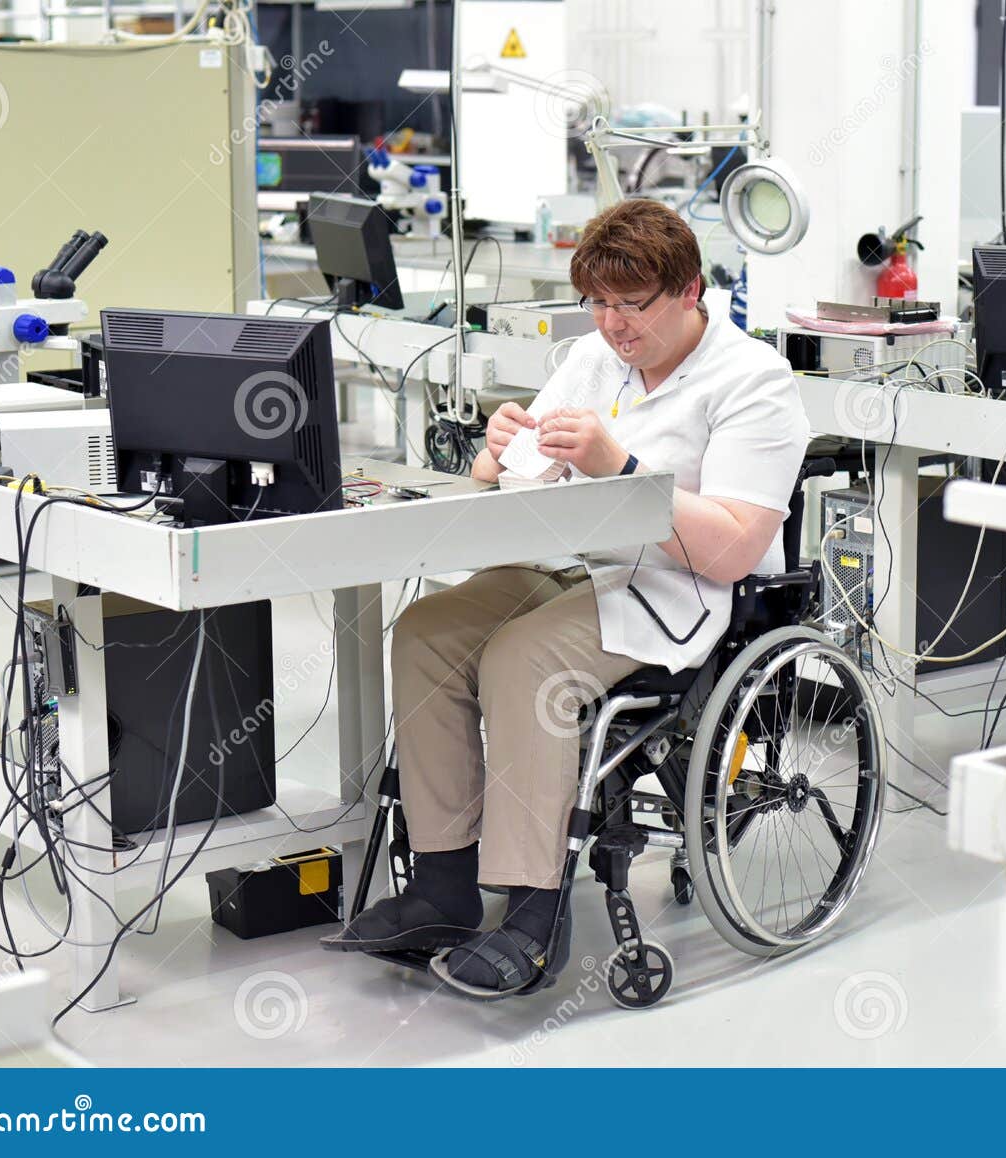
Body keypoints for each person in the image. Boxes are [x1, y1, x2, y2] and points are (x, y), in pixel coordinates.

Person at [324, 198, 811, 997]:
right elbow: (512, 484)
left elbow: (731, 549)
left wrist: (621, 473)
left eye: (633, 305)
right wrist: (494, 452)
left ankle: (532, 911)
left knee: (523, 659)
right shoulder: (592, 358)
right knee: (426, 632)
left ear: (690, 292)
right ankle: (443, 885)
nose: (614, 325)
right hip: (574, 566)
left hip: (672, 590)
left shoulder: (754, 381)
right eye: (599, 303)